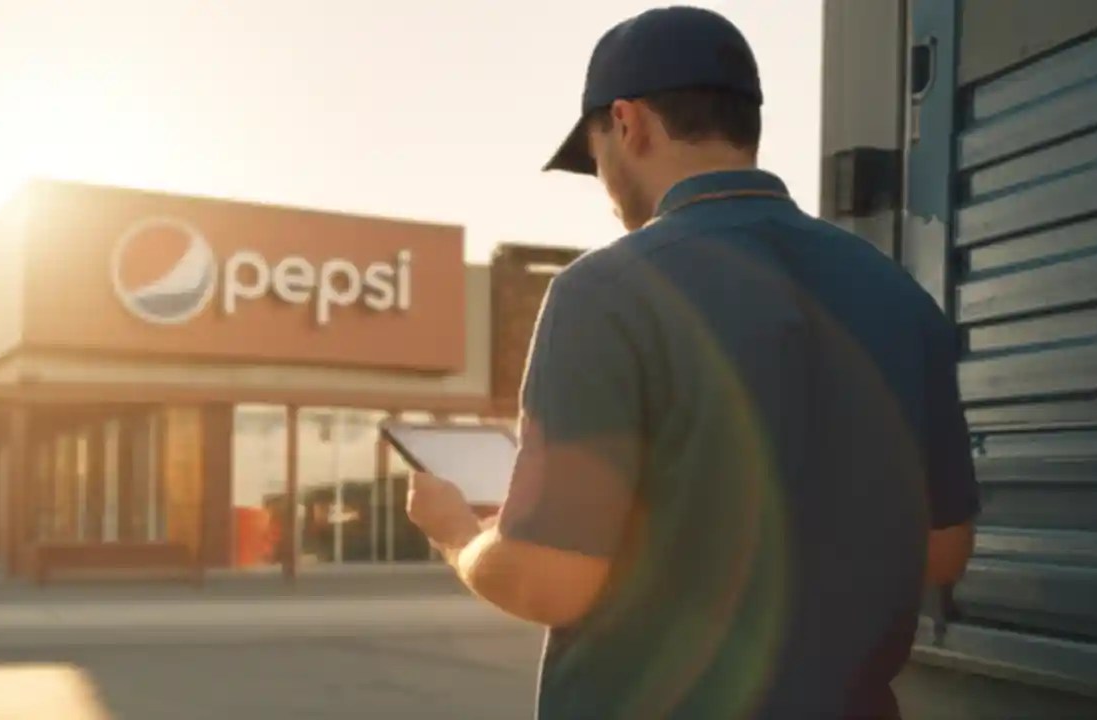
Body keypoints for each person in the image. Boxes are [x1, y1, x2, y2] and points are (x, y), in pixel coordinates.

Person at [406, 6, 979, 719]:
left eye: (597, 157)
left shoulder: (605, 293)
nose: (606, 186)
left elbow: (550, 581)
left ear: (628, 124)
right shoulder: (899, 296)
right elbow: (944, 550)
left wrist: (458, 533)